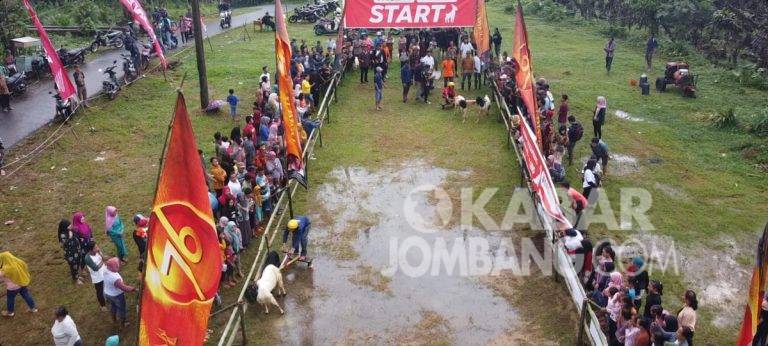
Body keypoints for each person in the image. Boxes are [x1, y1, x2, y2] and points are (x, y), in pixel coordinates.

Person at [0, 252, 37, 317]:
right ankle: (33, 308)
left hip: (13, 288)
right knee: (26, 295)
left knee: (10, 298)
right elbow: (25, 266)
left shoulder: (6, 268)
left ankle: (10, 312)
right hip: (22, 283)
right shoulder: (18, 262)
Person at [103, 258, 135, 327]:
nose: (118, 267)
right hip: (117, 295)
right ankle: (123, 323)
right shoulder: (114, 278)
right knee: (122, 309)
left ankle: (113, 319)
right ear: (110, 267)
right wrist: (134, 289)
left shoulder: (105, 269)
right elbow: (124, 288)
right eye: (116, 266)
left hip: (108, 293)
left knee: (113, 307)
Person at [83, 241, 107, 311]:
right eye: (96, 247)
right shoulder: (87, 258)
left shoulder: (97, 252)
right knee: (100, 292)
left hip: (104, 273)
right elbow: (95, 268)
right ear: (91, 250)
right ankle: (103, 305)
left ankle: (108, 298)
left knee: (107, 287)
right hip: (98, 278)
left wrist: (100, 253)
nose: (98, 248)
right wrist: (102, 261)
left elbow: (103, 257)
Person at [57, 220, 83, 284]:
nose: (71, 225)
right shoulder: (63, 235)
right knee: (73, 266)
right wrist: (70, 237)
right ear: (65, 227)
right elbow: (65, 244)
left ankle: (77, 276)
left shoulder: (70, 230)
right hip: (71, 254)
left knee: (77, 264)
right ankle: (76, 279)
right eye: (69, 225)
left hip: (77, 251)